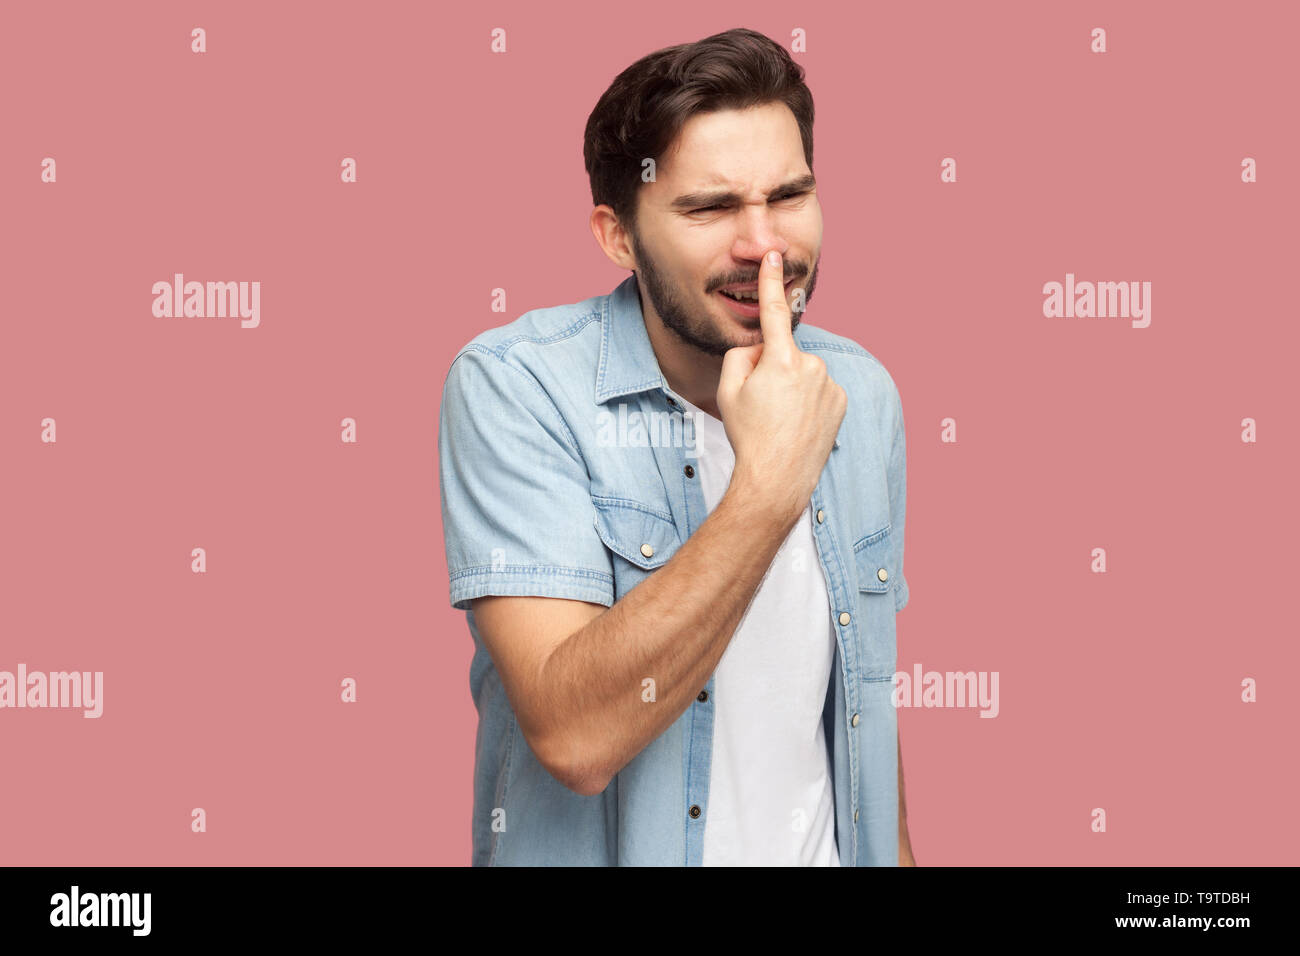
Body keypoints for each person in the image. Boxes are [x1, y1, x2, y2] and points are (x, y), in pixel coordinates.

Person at [438, 27, 914, 866]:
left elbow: (860, 718)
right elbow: (575, 736)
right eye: (709, 207)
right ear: (618, 235)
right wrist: (768, 489)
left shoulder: (860, 394)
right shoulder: (517, 388)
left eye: (789, 196)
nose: (764, 245)